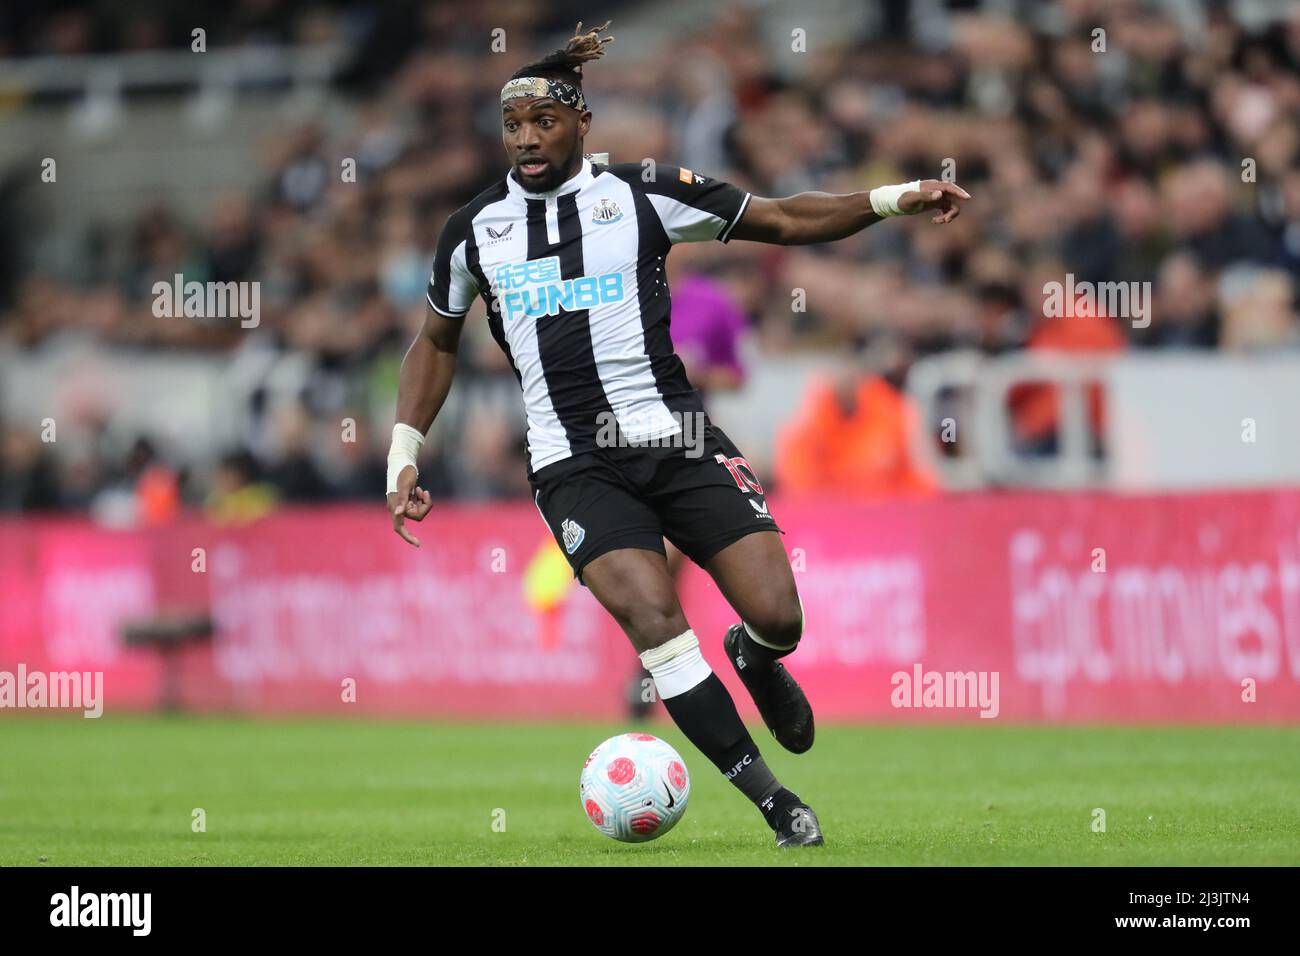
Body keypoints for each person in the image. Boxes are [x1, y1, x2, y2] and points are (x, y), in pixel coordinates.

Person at [386, 21, 969, 848]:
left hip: (677, 437)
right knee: (655, 621)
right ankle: (775, 802)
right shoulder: (474, 231)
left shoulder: (642, 193)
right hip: (572, 463)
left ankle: (756, 655)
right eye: (512, 127)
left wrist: (887, 200)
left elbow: (783, 219)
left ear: (582, 123)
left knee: (780, 614)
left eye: (542, 122)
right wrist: (402, 453)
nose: (525, 139)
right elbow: (435, 341)